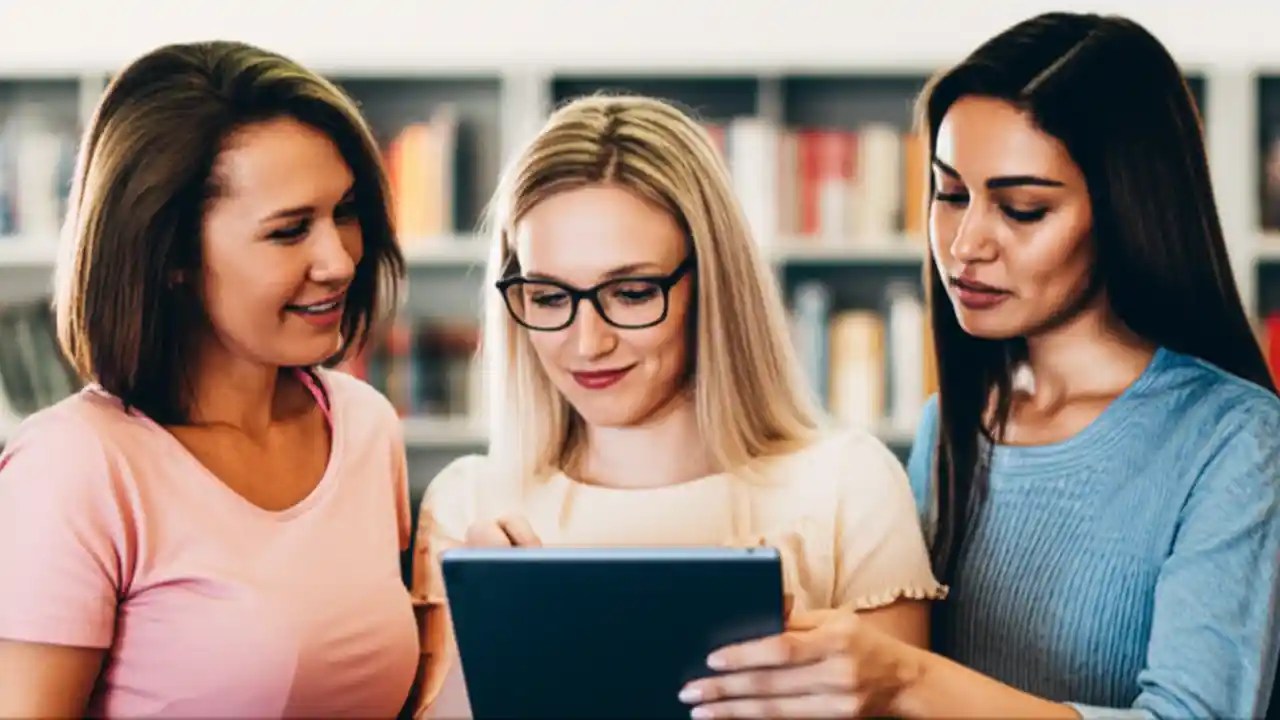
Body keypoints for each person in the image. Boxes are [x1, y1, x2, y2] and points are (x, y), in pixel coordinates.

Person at [677, 11, 1280, 720]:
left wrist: (905, 680)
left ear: (1127, 211)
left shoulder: (1238, 439)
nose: (965, 245)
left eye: (1022, 210)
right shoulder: (953, 422)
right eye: (950, 193)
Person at [409, 94, 947, 717]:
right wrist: (492, 629)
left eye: (632, 292)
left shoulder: (845, 487)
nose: (588, 343)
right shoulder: (473, 503)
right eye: (549, 296)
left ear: (712, 283)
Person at [0, 41, 418, 717]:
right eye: (289, 231)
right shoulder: (73, 467)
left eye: (345, 212)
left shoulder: (365, 427)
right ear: (171, 256)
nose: (339, 259)